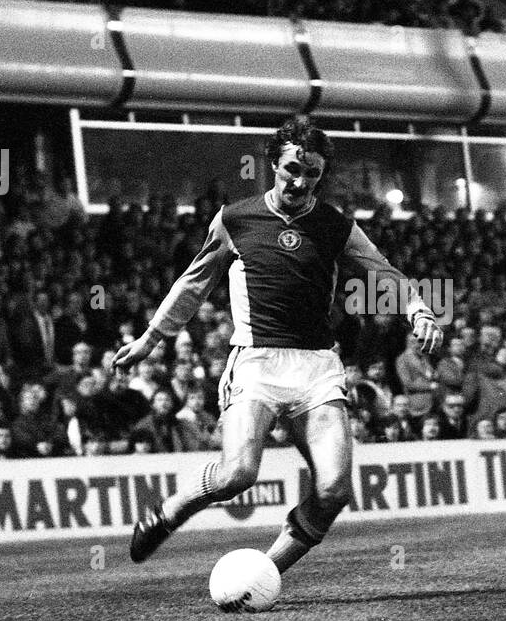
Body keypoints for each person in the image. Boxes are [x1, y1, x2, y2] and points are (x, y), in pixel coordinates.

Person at [113, 116, 443, 578]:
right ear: (273, 164)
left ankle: (263, 573)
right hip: (256, 362)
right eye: (293, 169)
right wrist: (151, 338)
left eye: (312, 174)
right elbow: (194, 282)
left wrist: (419, 309)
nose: (301, 181)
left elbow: (381, 270)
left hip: (317, 368)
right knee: (237, 476)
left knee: (333, 490)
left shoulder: (334, 225)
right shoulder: (235, 218)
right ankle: (169, 512)